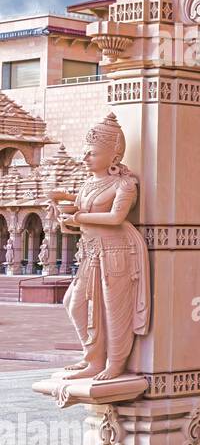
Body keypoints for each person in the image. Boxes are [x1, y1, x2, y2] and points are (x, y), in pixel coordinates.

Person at [49, 113, 150, 382]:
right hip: (91, 252)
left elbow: (116, 218)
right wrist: (66, 217)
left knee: (114, 310)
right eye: (85, 153)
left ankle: (115, 363)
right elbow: (80, 216)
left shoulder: (124, 184)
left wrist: (78, 217)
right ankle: (92, 357)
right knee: (74, 303)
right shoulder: (88, 185)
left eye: (92, 153)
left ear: (113, 158)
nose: (85, 158)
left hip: (116, 253)